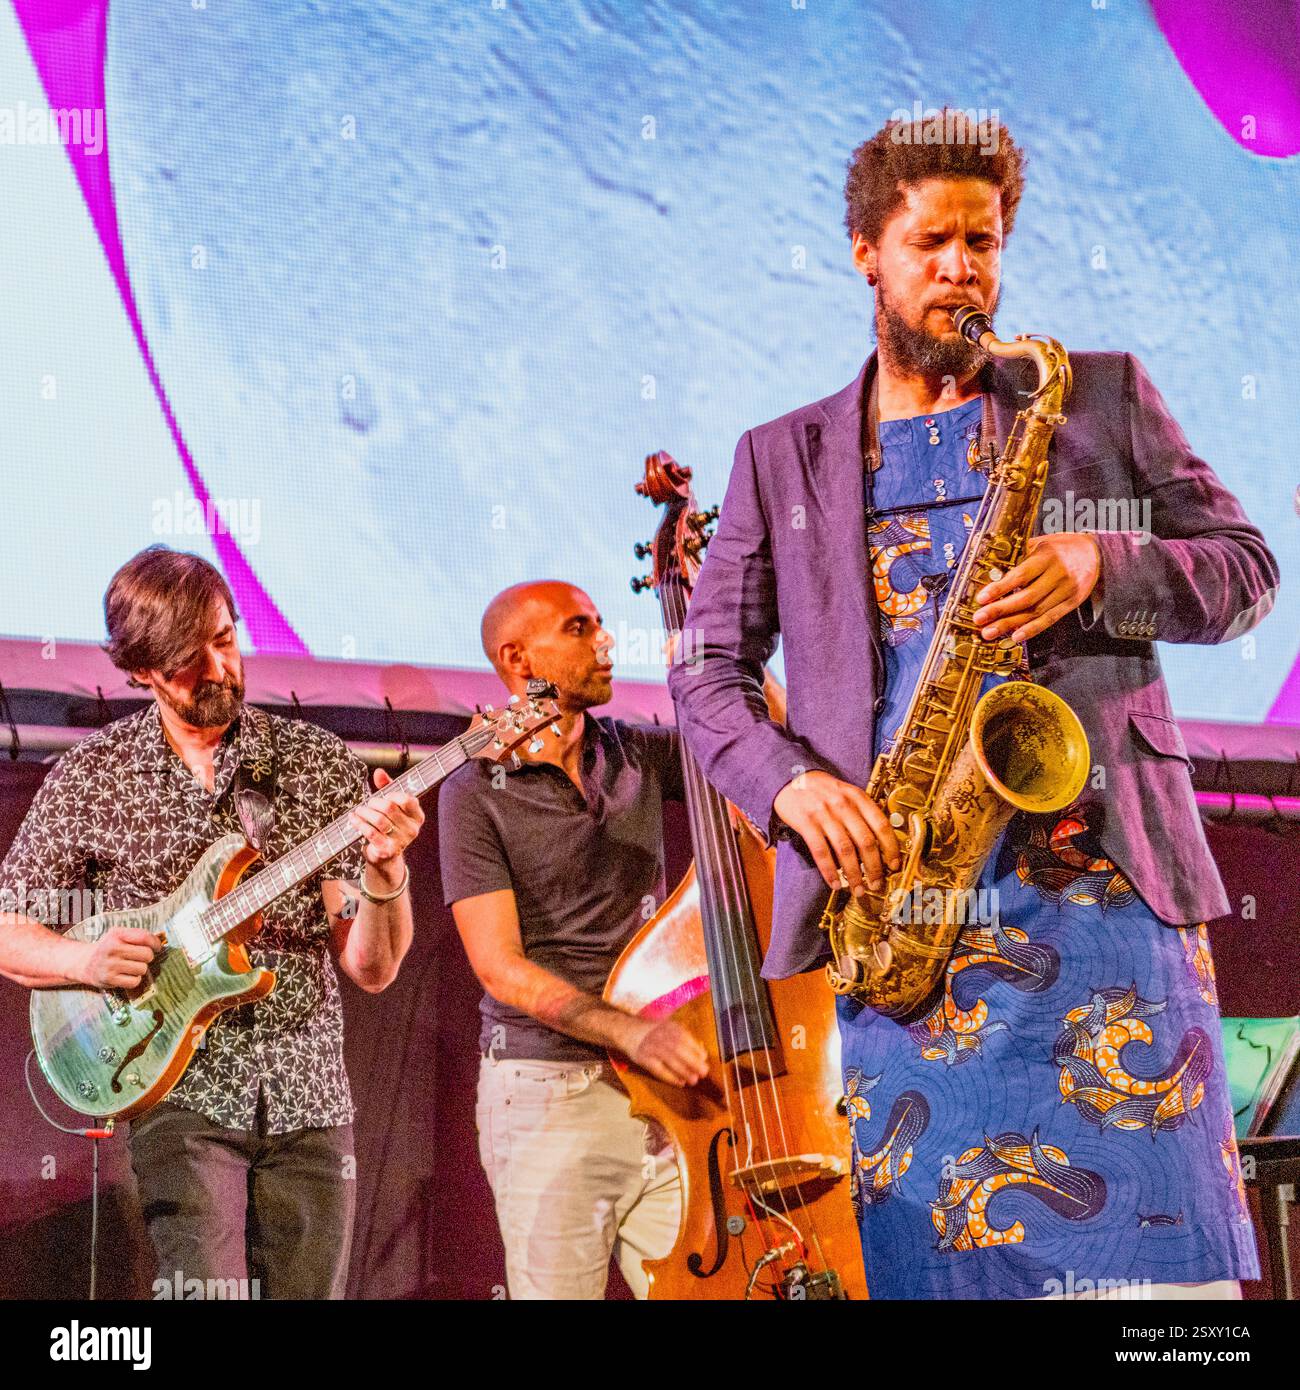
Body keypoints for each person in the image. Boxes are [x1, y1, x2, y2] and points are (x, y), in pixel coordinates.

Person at [667, 110, 1279, 1300]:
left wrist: (1109, 567)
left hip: (1107, 904)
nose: (962, 269)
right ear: (865, 251)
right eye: (932, 241)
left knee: (1167, 1299)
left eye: (983, 242)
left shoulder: (1094, 394)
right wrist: (790, 782)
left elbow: (1246, 570)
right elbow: (704, 669)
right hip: (911, 922)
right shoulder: (776, 456)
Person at [0, 545, 423, 1299]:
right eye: (188, 662)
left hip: (310, 1094)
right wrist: (85, 963)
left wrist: (387, 871)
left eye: (226, 641)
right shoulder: (94, 776)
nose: (220, 671)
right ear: (140, 671)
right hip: (179, 1091)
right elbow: (9, 928)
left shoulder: (313, 762)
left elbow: (371, 967)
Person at [438, 580, 708, 1299]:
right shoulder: (473, 788)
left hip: (663, 1088)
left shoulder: (633, 752)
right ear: (519, 657)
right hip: (550, 1095)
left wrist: (721, 666)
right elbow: (500, 967)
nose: (607, 642)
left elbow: (758, 752)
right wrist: (628, 1032)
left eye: (601, 625)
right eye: (579, 628)